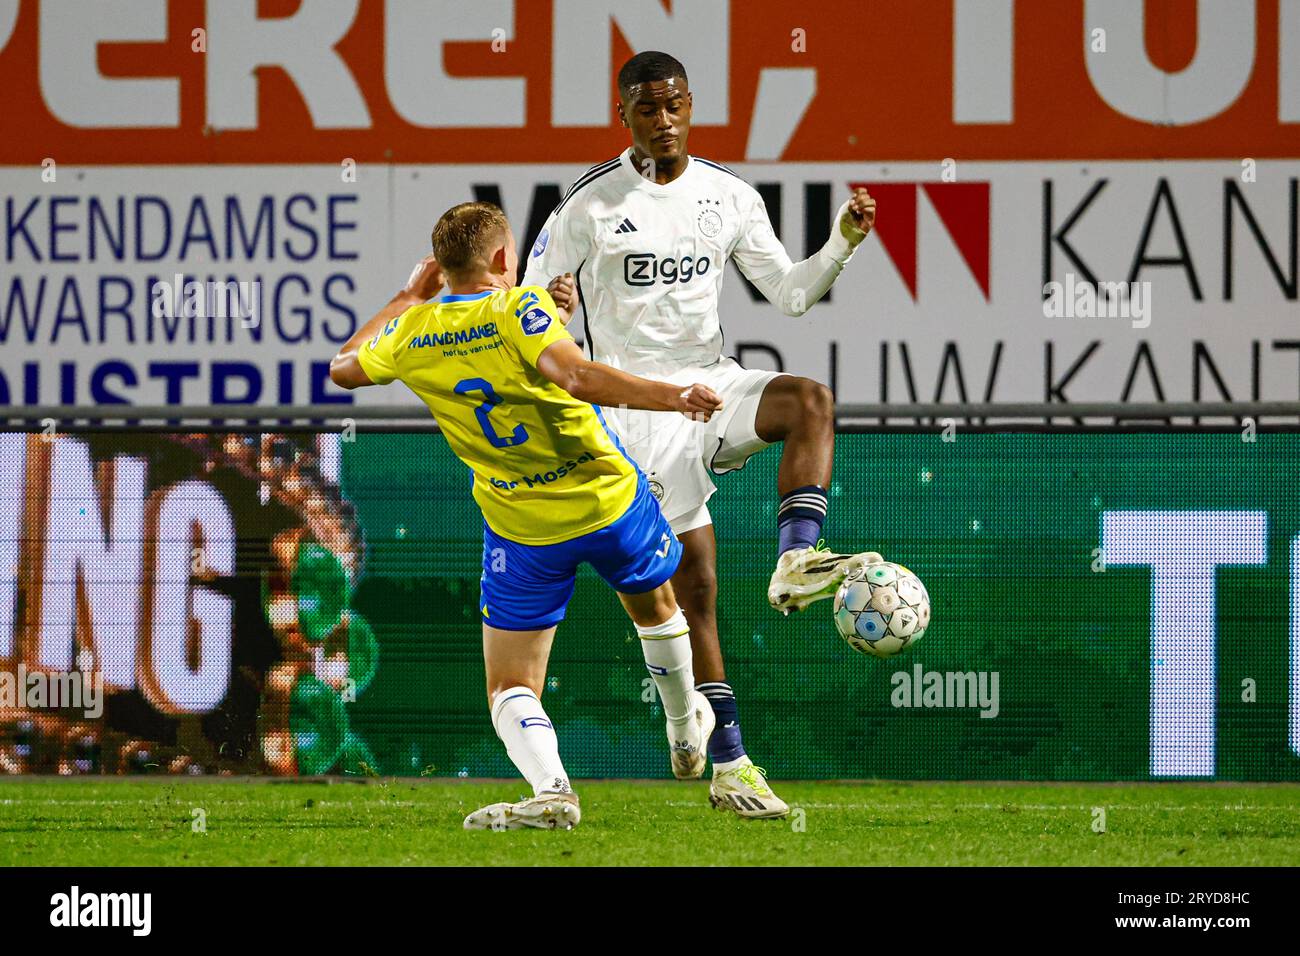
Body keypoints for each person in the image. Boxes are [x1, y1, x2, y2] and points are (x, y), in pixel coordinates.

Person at [522, 51, 880, 818]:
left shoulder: (729, 195)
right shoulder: (585, 206)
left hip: (710, 382)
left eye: (676, 104)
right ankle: (725, 758)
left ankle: (796, 560)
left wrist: (843, 242)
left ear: (691, 104)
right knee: (699, 594)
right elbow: (526, 309)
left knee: (809, 400)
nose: (665, 120)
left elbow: (789, 295)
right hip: (637, 411)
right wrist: (549, 302)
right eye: (649, 109)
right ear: (626, 116)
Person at [329, 201, 725, 830]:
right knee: (657, 610)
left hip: (522, 526)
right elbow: (576, 378)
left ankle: (552, 790)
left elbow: (344, 367)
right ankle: (683, 728)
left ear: (440, 268)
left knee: (511, 685)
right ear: (503, 258)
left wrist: (406, 296)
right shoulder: (518, 309)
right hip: (605, 500)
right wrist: (672, 396)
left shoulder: (413, 333)